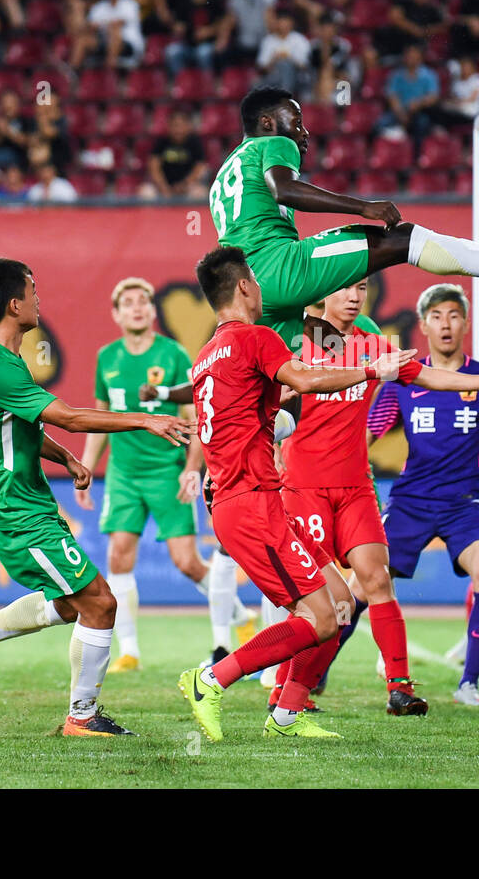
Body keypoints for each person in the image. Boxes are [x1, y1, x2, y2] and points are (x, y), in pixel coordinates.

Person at [0, 259, 194, 736]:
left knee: (69, 603)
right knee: (100, 602)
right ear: (15, 304)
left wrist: (67, 460)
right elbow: (70, 416)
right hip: (14, 510)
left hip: (28, 501)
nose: (40, 299)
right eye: (33, 291)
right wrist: (144, 418)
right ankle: (81, 716)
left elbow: (21, 427)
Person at [178, 246, 415, 741]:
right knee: (321, 617)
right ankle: (210, 680)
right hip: (253, 502)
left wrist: (276, 416)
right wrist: (374, 370)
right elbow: (307, 377)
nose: (267, 292)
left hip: (245, 499)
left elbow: (255, 415)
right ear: (245, 286)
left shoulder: (206, 356)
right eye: (260, 283)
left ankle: (287, 713)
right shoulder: (256, 337)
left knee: (338, 605)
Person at [278, 278, 479, 714]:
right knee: (335, 595)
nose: (354, 295)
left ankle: (421, 686)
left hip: (440, 499)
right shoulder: (302, 338)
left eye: (361, 286)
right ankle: (291, 685)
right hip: (368, 494)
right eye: (437, 316)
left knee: (391, 580)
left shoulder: (382, 350)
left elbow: (440, 386)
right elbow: (340, 416)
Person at [209, 86, 479, 352]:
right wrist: (363, 207)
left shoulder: (221, 178)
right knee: (402, 238)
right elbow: (286, 190)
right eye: (296, 122)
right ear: (266, 123)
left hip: (252, 291)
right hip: (278, 266)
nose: (304, 133)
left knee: (305, 378)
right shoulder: (273, 143)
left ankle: (232, 466)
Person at [74, 277, 255, 671]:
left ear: (153, 311)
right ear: (116, 314)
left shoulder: (172, 353)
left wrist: (191, 469)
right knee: (118, 556)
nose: (137, 308)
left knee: (187, 562)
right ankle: (130, 651)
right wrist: (85, 466)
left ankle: (240, 618)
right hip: (123, 474)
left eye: (143, 301)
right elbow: (99, 417)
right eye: (129, 303)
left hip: (165, 471)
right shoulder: (107, 357)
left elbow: (196, 419)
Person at [366, 284, 479, 706]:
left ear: (466, 323)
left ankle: (469, 684)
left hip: (463, 502)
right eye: (437, 316)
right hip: (409, 500)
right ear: (423, 325)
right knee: (363, 582)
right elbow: (365, 436)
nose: (445, 323)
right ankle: (315, 678)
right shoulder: (403, 381)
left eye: (454, 315)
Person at [141, 109, 207, 200]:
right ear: (169, 126)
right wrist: (163, 186)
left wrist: (184, 185)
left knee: (200, 193)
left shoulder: (195, 142)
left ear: (188, 126)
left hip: (187, 187)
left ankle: (190, 214)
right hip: (163, 187)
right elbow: (154, 165)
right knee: (145, 192)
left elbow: (200, 167)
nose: (178, 130)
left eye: (181, 126)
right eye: (175, 126)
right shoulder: (162, 142)